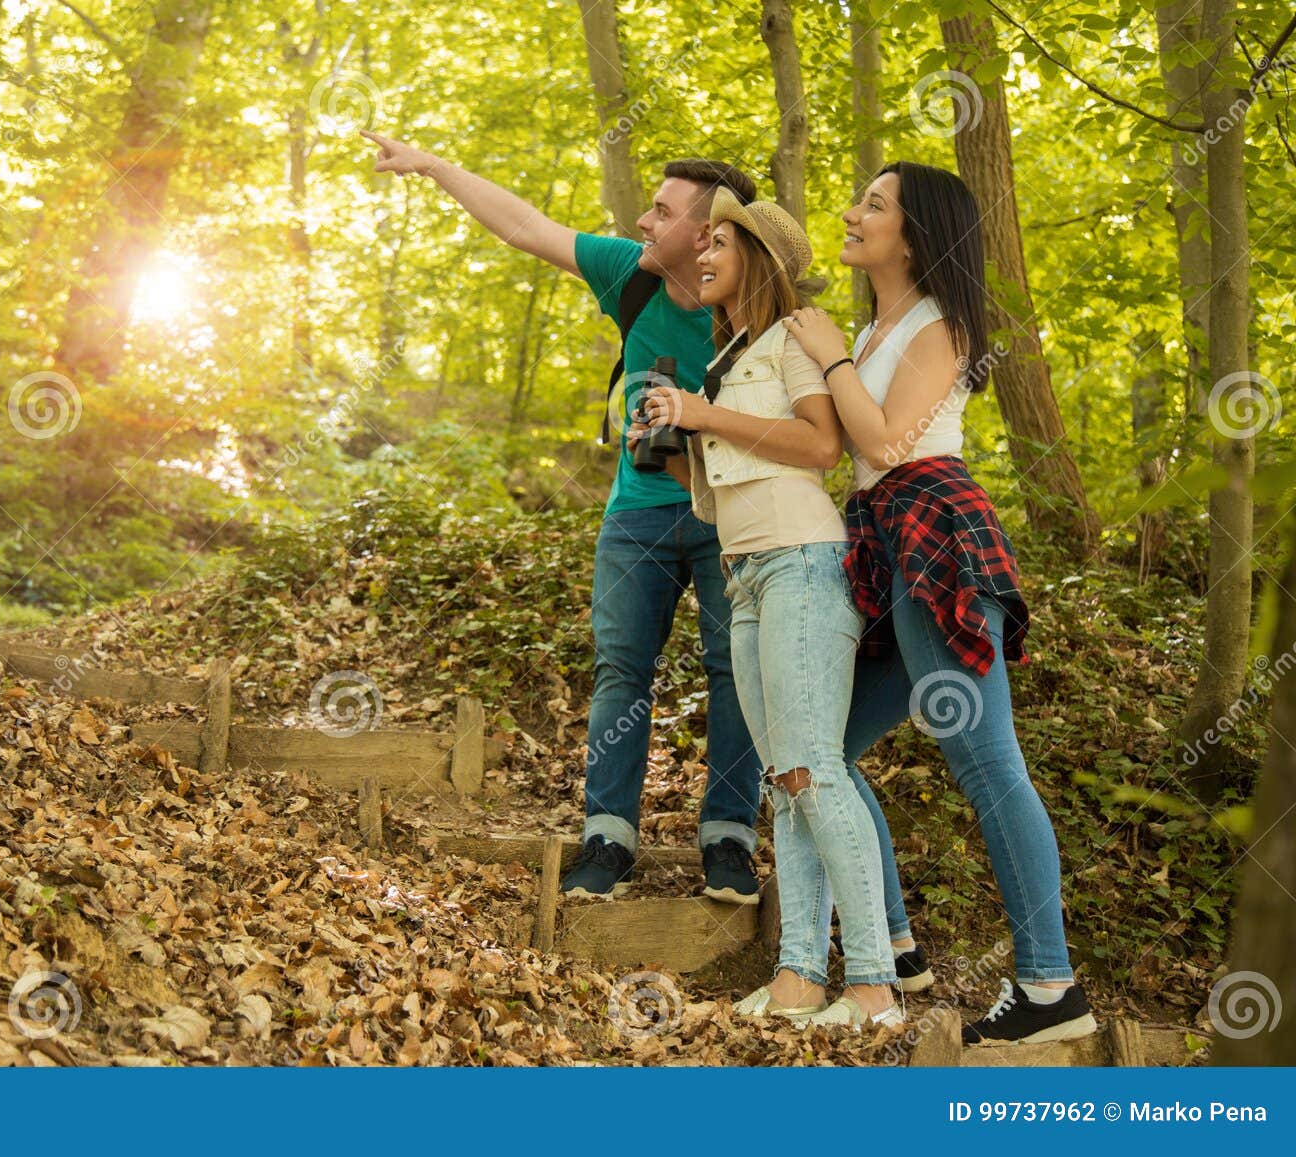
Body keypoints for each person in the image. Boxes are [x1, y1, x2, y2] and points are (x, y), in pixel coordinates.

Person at [362, 128, 765, 903]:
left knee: (734, 674)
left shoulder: (757, 305)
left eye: (661, 211)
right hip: (637, 515)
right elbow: (524, 226)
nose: (643, 222)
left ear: (708, 235)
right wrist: (436, 163)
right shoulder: (631, 274)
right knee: (622, 674)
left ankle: (729, 842)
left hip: (733, 518)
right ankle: (606, 838)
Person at [784, 161, 1098, 1046]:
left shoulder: (942, 326)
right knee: (830, 750)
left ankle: (1050, 987)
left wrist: (831, 357)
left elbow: (884, 440)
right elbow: (834, 439)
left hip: (938, 535)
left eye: (873, 206)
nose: (852, 213)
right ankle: (895, 943)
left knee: (989, 762)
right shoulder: (874, 324)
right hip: (884, 546)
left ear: (914, 234)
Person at [632, 191, 900, 1029]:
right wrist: (667, 445)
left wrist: (706, 415)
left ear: (757, 255)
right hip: (746, 573)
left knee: (813, 768)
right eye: (699, 240)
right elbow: (724, 498)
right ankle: (797, 979)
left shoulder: (789, 339)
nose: (701, 253)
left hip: (804, 566)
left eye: (717, 242)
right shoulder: (721, 361)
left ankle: (874, 987)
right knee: (786, 783)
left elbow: (823, 447)